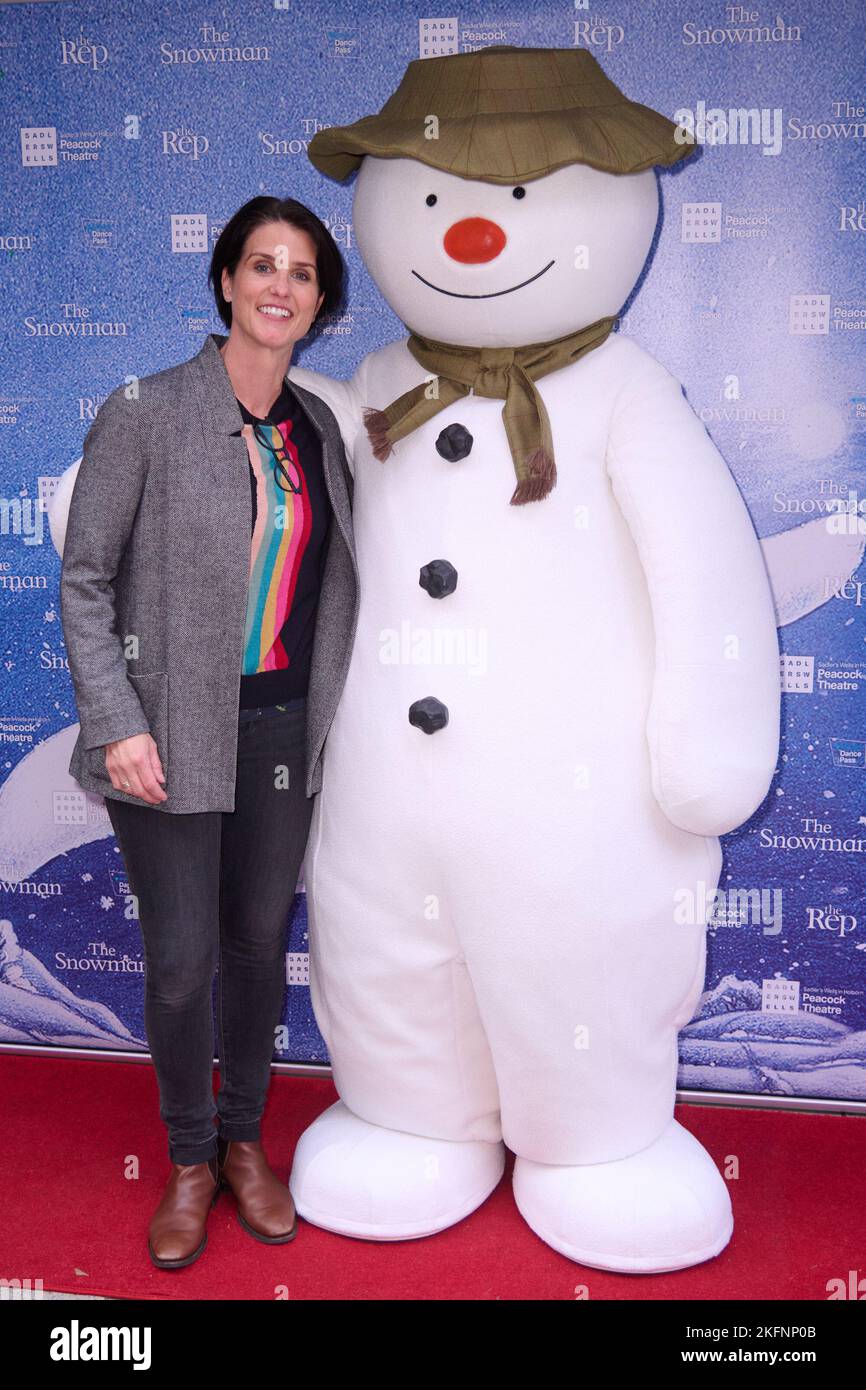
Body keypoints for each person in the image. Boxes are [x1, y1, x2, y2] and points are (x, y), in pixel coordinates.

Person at [59, 195, 358, 1269]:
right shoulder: (145, 408)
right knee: (182, 965)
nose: (281, 285)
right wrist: (117, 720)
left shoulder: (317, 430)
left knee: (254, 950)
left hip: (276, 727)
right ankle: (188, 1158)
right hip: (166, 734)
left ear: (321, 304)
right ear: (227, 281)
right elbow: (85, 581)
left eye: (304, 272)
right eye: (261, 265)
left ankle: (243, 1147)